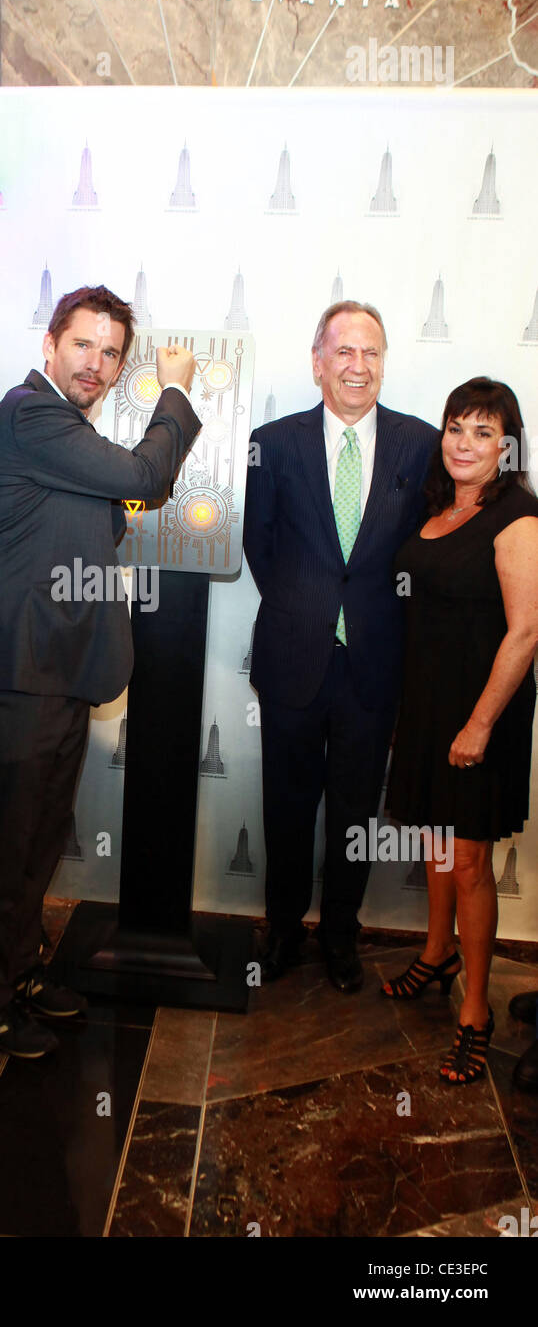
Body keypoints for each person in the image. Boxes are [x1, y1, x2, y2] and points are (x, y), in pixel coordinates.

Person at [0, 284, 199, 1057]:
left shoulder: (68, 438)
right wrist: (175, 391)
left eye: (111, 352)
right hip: (18, 670)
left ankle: (20, 972)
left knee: (34, 842)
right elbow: (144, 477)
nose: (96, 363)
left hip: (60, 670)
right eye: (84, 345)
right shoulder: (33, 415)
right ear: (50, 345)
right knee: (7, 846)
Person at [244, 301, 438, 992]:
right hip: (295, 658)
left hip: (375, 668)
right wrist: (310, 608)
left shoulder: (421, 446)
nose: (359, 367)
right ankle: (283, 930)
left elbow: (425, 550)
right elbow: (259, 545)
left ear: (384, 362)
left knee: (355, 812)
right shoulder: (275, 441)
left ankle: (341, 936)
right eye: (345, 352)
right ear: (318, 361)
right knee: (286, 809)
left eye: (372, 354)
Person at [382, 378, 538, 1085]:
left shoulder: (518, 517)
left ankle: (476, 1012)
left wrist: (479, 724)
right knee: (438, 845)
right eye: (455, 428)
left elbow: (527, 631)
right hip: (427, 706)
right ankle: (436, 953)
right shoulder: (439, 507)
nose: (464, 443)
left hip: (482, 712)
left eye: (483, 432)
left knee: (470, 862)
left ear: (508, 446)